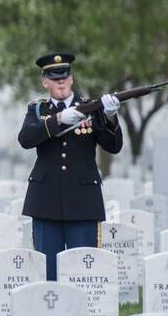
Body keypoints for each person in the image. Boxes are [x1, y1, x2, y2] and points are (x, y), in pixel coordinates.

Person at [18, 52, 123, 279]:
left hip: (83, 202)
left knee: (84, 273)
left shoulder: (90, 108)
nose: (61, 81)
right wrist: (58, 120)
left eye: (64, 76)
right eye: (54, 78)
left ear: (72, 79)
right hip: (46, 202)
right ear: (45, 82)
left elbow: (113, 146)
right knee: (49, 273)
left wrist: (111, 118)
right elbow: (25, 139)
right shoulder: (37, 110)